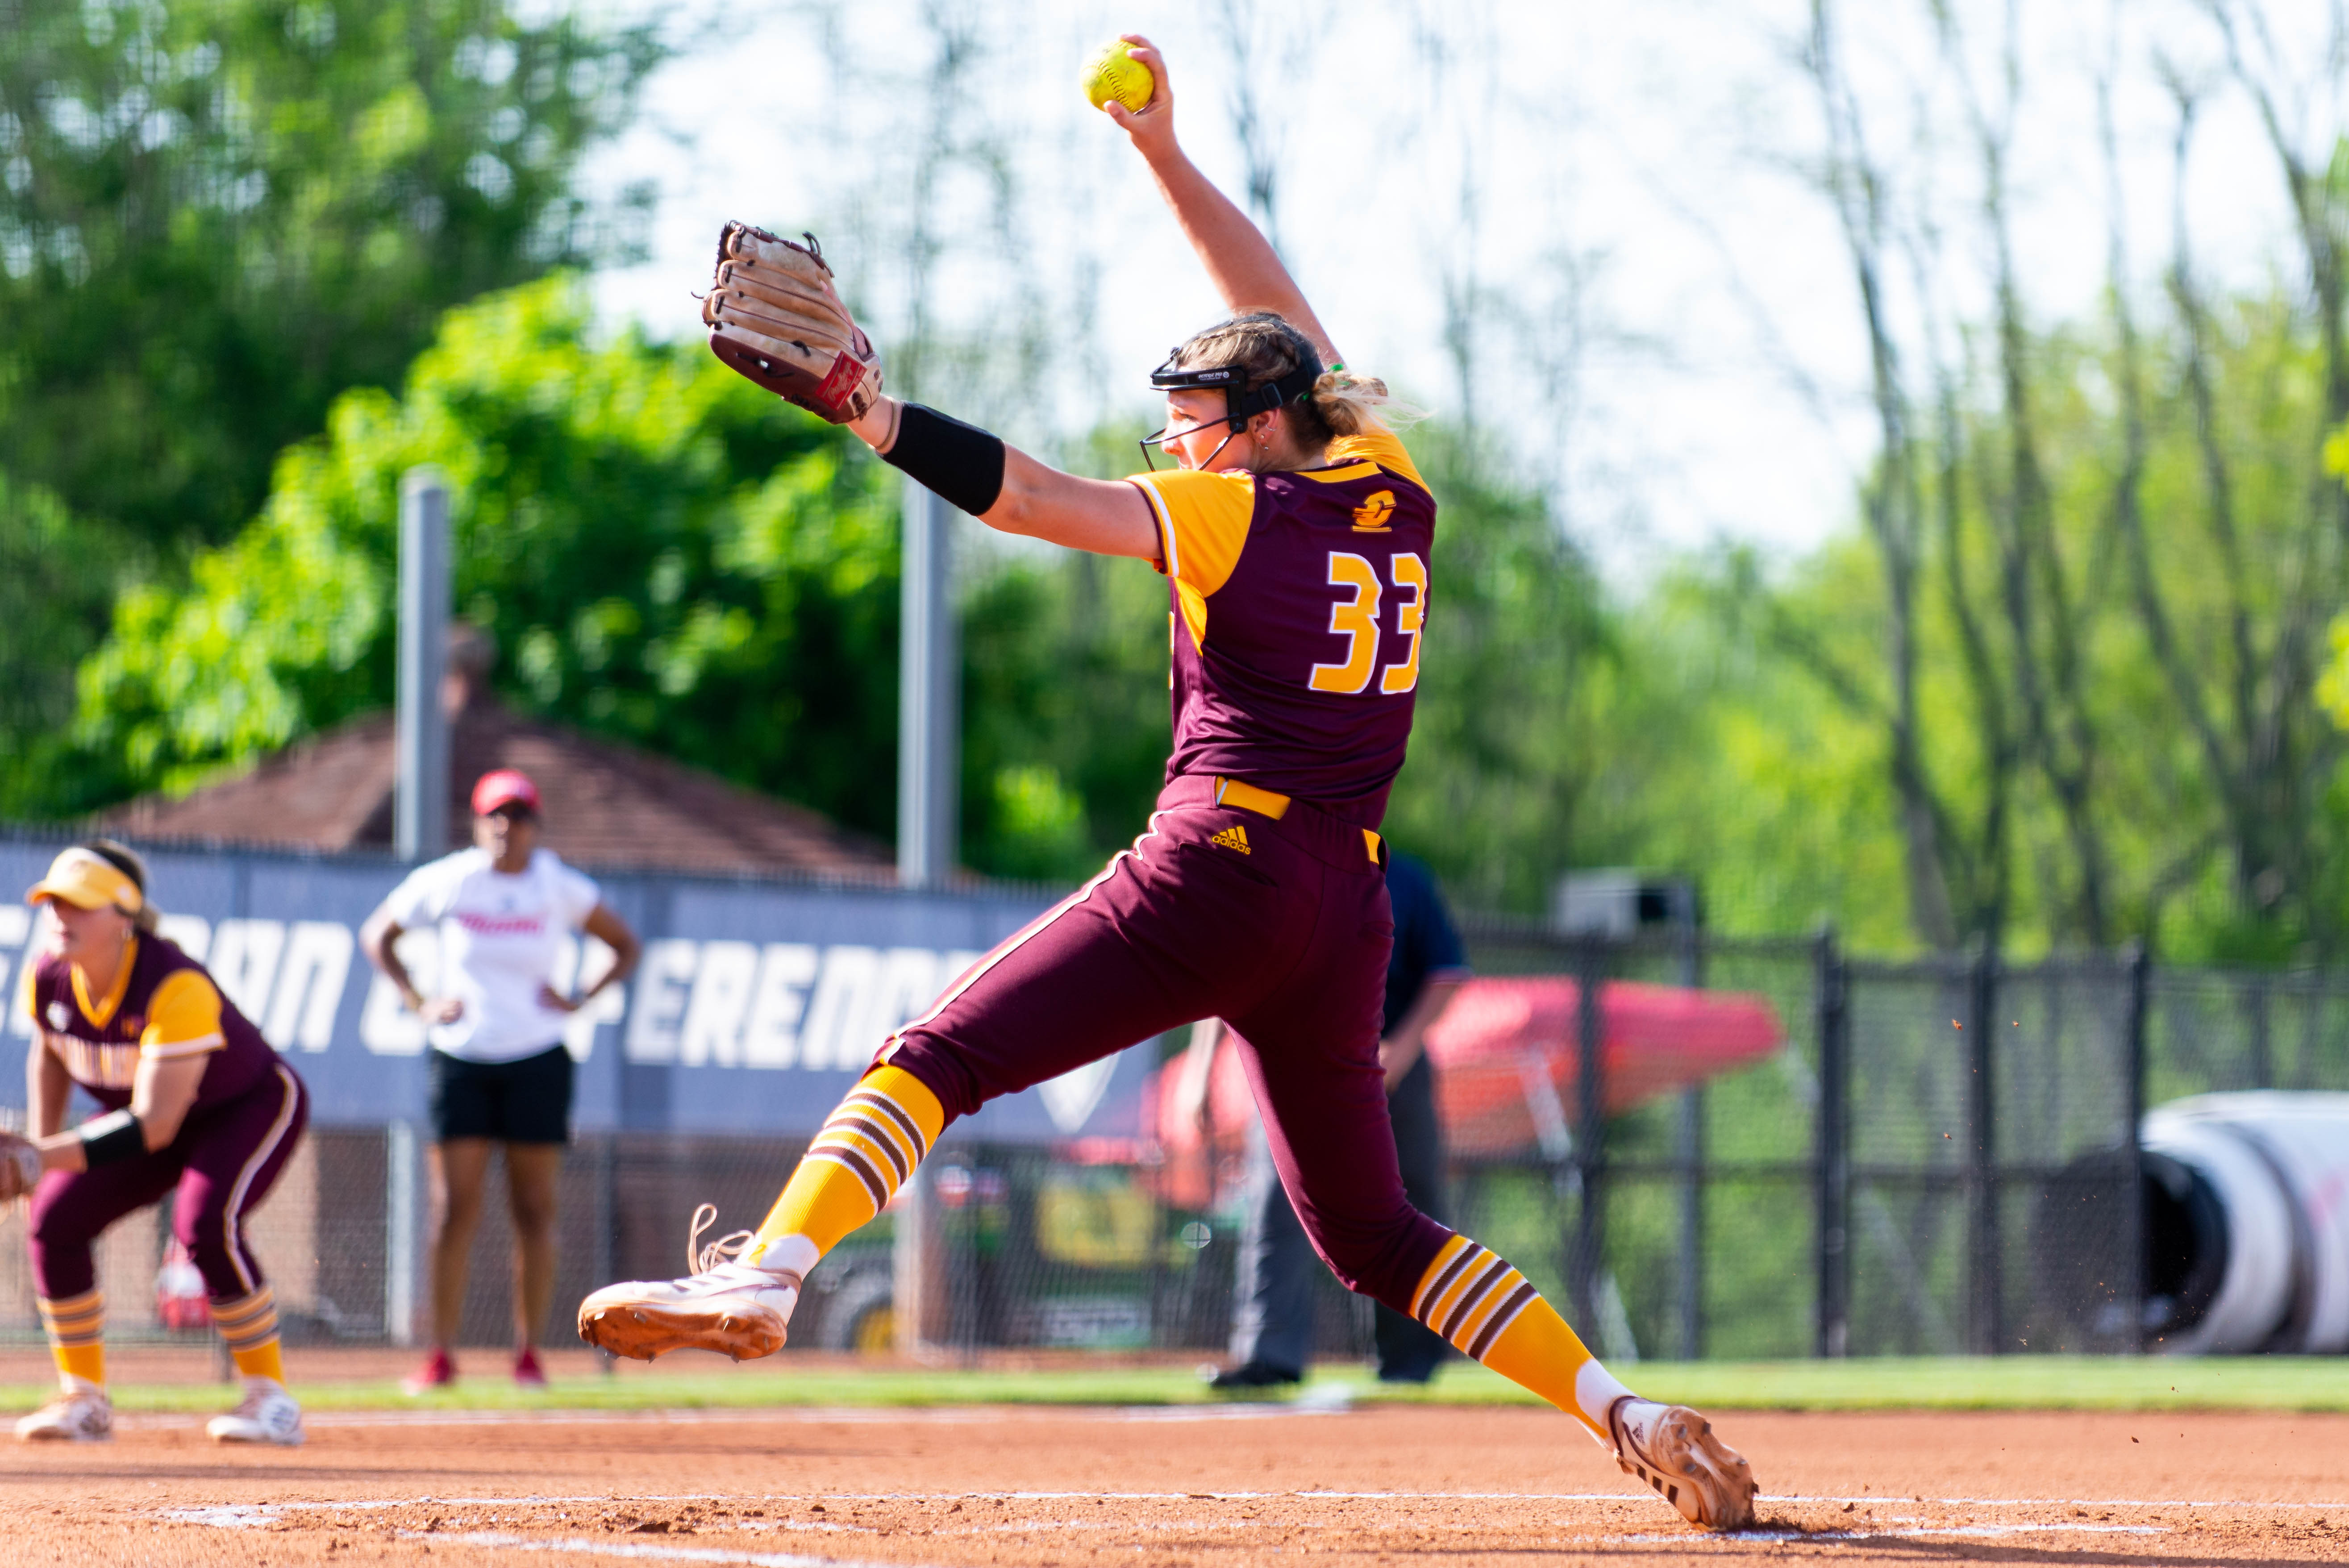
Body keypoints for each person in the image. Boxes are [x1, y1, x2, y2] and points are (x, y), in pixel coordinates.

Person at [575, 37, 1756, 1530]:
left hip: (1211, 870)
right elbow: (1268, 310)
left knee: (932, 1057)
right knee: (1378, 1233)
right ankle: (1625, 1408)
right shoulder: (1389, 481)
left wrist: (877, 415)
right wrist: (1163, 154)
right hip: (1343, 905)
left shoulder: (1233, 513)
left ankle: (768, 1273)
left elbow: (1030, 499)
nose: (1183, 430)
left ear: (1260, 426)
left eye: (1201, 411)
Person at [2, 842, 308, 1445]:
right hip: (146, 1117)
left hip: (243, 1108)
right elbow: (52, 1053)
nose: (63, 916)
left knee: (204, 1224)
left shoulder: (174, 984)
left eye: (80, 905)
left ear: (124, 915)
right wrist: (37, 1155)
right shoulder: (48, 975)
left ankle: (272, 1401)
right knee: (54, 1218)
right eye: (54, 903)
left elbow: (157, 1124)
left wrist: (33, 1157)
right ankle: (84, 1400)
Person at [360, 768, 640, 1393]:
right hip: (462, 1058)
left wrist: (578, 999)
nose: (505, 827)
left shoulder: (557, 887)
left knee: (535, 1209)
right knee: (452, 1209)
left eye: (517, 815)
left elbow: (624, 944)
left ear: (536, 825)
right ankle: (440, 1355)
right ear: (477, 822)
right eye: (495, 815)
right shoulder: (451, 880)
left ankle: (529, 1355)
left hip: (537, 1056)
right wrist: (418, 1000)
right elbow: (378, 935)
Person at [1196, 849, 1467, 1388]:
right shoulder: (1278, 861)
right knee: (1275, 1201)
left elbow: (1446, 972)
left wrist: (1403, 1049)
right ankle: (1268, 1355)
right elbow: (1224, 971)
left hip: (1389, 1063)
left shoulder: (1403, 876)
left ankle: (1411, 1361)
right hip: (1291, 1059)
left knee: (1408, 1203)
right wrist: (1199, 1071)